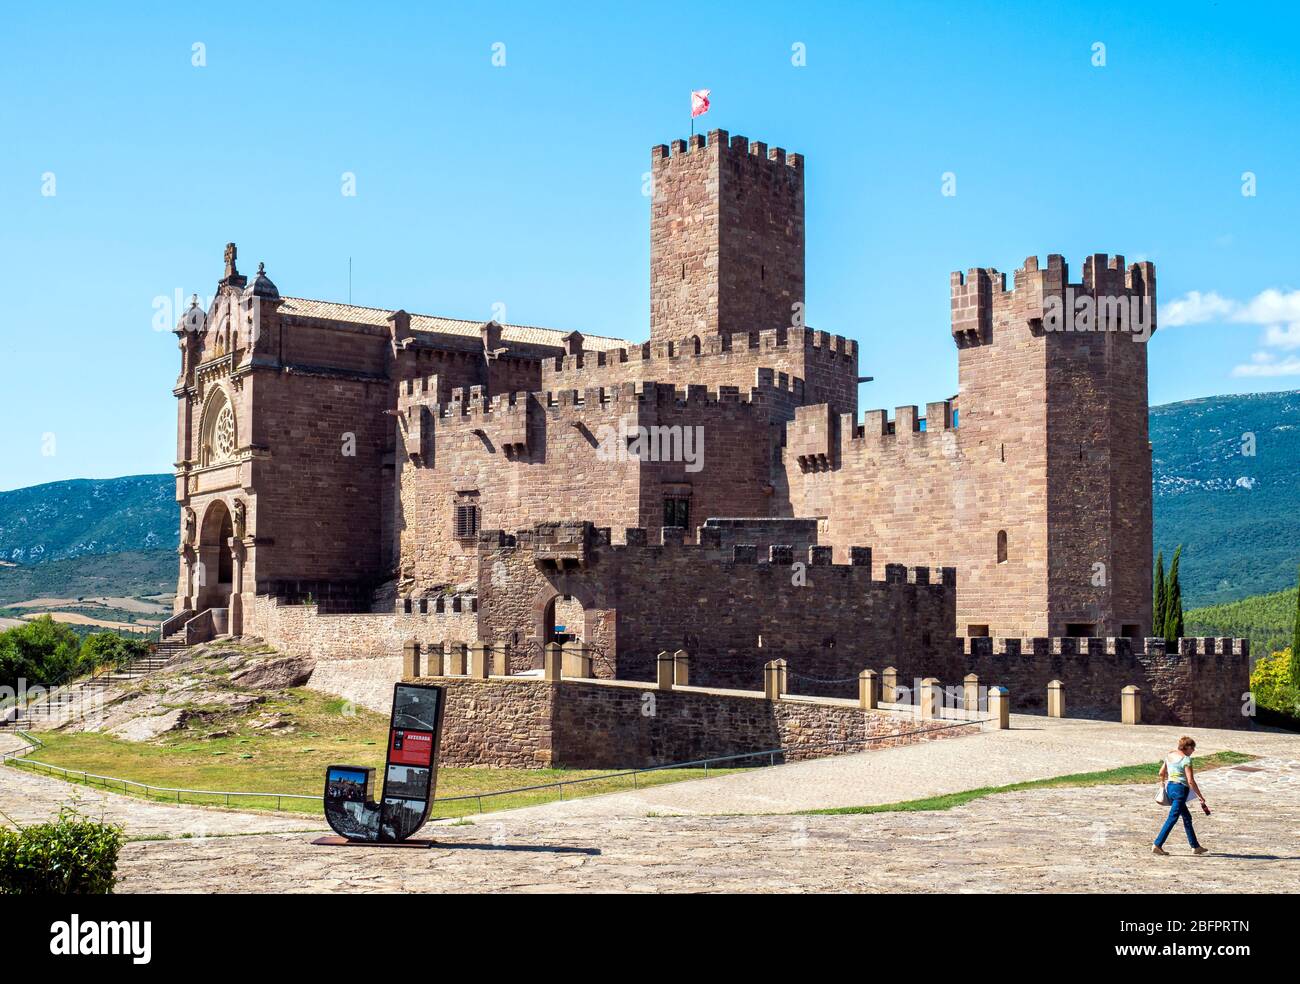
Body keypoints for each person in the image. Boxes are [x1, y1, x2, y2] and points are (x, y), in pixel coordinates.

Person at [1153, 736, 1210, 856]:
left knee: (1187, 817)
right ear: (1187, 747)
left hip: (1170, 788)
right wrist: (1200, 796)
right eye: (1192, 748)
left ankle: (1195, 846)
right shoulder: (1186, 760)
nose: (1193, 751)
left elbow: (1161, 772)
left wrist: (1163, 783)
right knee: (1172, 818)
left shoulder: (1169, 755)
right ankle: (1157, 844)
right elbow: (1191, 781)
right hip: (1180, 790)